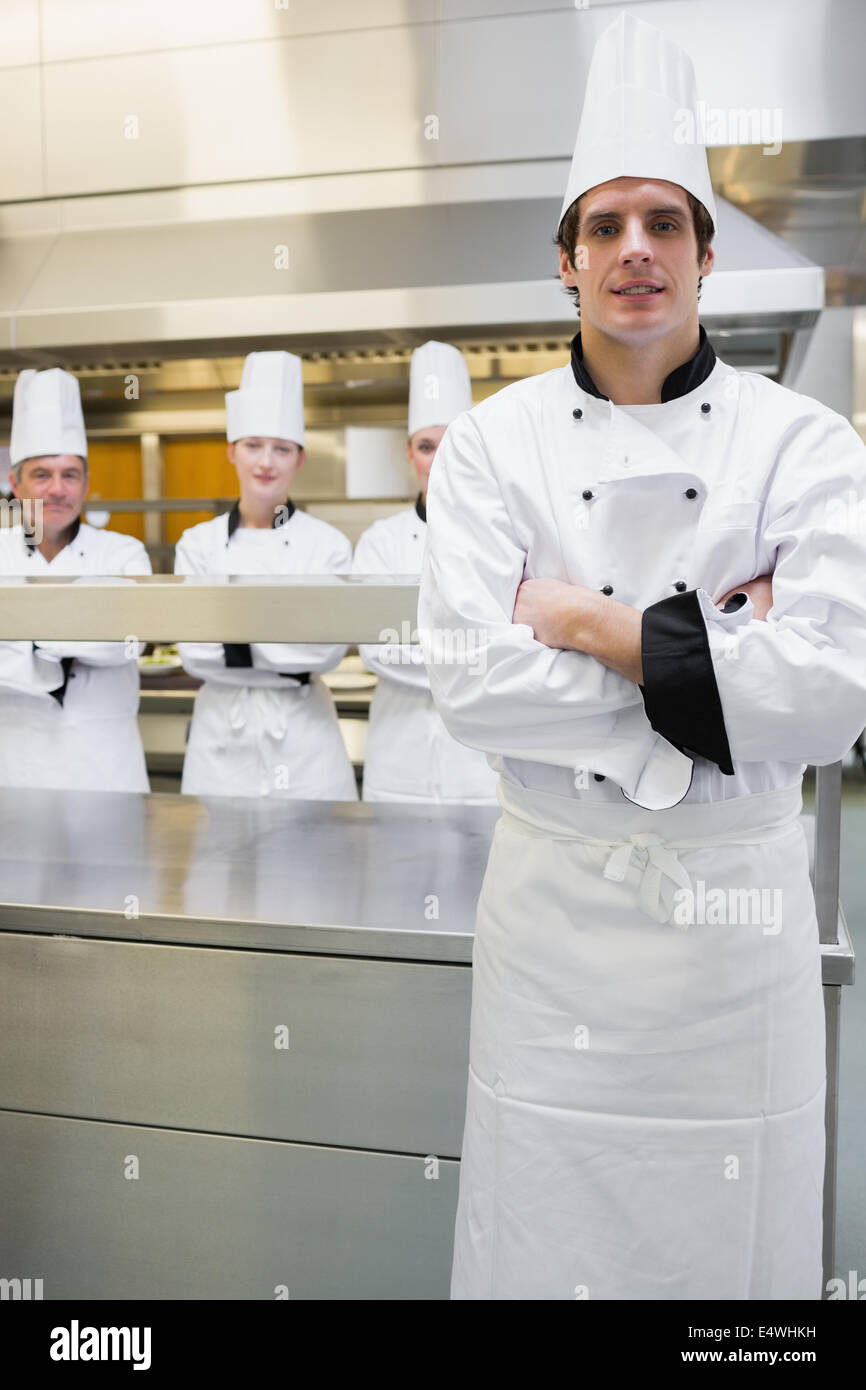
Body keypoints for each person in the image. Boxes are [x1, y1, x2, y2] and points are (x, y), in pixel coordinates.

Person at [418, 12, 866, 1300]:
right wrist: (720, 662)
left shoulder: (805, 445)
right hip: (551, 926)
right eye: (604, 226)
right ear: (563, 260)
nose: (633, 251)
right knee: (538, 1227)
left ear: (704, 253)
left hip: (732, 957)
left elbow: (831, 697)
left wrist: (580, 619)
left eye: (662, 223)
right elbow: (468, 682)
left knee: (732, 1260)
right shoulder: (493, 449)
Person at [175, 351, 357, 800]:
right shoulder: (197, 544)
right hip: (220, 734)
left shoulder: (328, 544)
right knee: (218, 865)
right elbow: (195, 652)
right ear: (232, 451)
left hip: (305, 736)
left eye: (282, 448)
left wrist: (234, 638)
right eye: (253, 445)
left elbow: (328, 651)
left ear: (299, 459)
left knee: (314, 864)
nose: (266, 461)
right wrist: (288, 637)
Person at [353, 341, 499, 803]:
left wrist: (420, 646)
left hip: (480, 765)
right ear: (409, 454)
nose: (439, 460)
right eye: (426, 446)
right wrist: (464, 655)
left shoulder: (504, 536)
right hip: (398, 760)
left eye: (452, 443)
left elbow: (508, 649)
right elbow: (377, 650)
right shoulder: (381, 541)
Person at [0, 368, 150, 792]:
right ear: (15, 482)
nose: (57, 489)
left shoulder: (124, 552)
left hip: (104, 762)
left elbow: (130, 640)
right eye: (41, 475)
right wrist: (84, 625)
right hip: (15, 761)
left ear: (86, 483)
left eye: (70, 474)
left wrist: (24, 637)